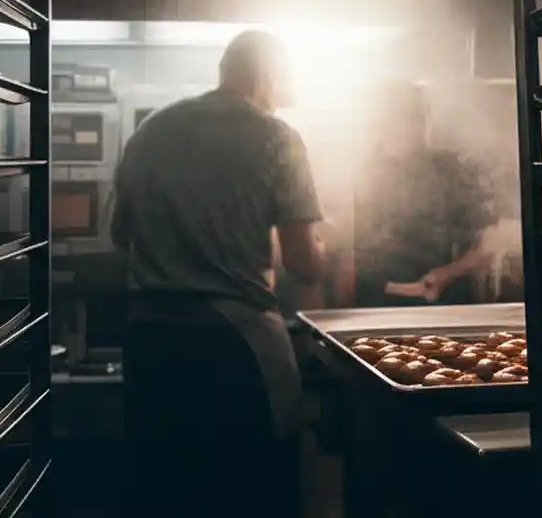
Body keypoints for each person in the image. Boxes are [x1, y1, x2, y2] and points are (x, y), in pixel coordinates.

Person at [111, 30, 327, 517]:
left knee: (166, 490)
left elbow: (120, 238)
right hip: (234, 349)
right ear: (268, 74)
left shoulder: (151, 130)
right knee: (250, 492)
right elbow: (303, 263)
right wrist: (322, 246)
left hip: (151, 343)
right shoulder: (276, 137)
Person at [352, 83, 498, 306]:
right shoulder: (359, 173)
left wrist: (448, 274)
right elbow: (342, 252)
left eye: (415, 117)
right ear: (379, 124)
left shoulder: (452, 170)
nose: (407, 128)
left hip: (442, 302)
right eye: (397, 119)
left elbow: (488, 243)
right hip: (372, 305)